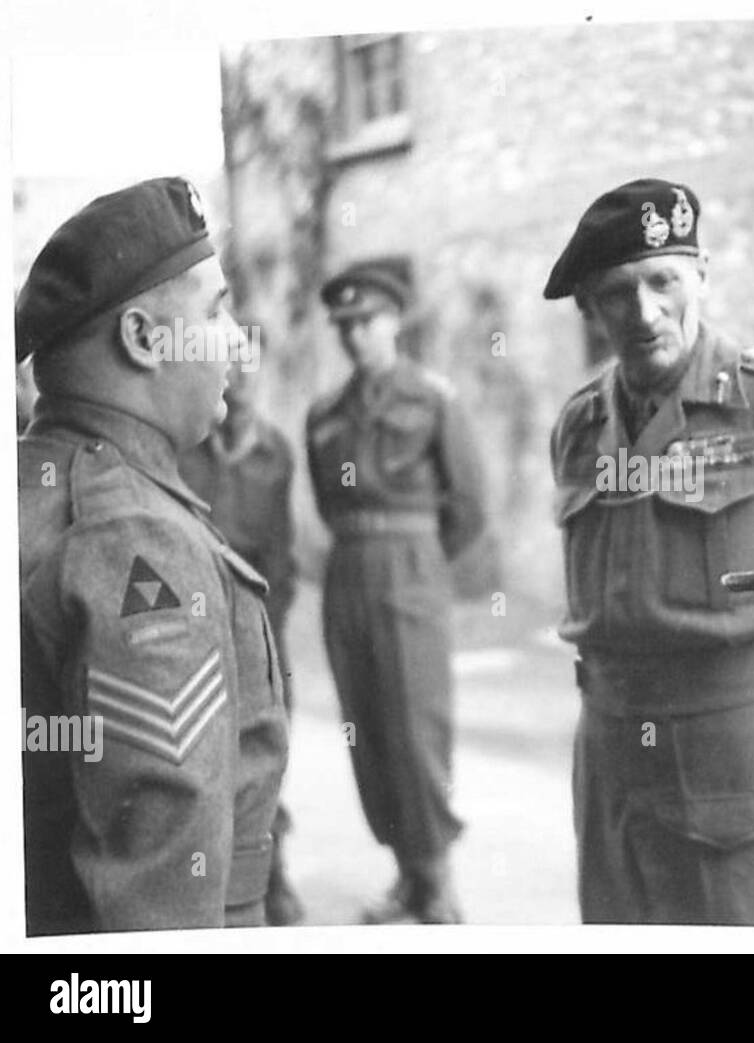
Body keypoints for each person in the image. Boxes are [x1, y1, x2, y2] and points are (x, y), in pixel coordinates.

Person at [545, 178, 754, 925]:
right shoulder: (580, 427)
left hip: (735, 765)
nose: (644, 312)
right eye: (617, 292)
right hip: (610, 764)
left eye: (664, 281)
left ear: (702, 278)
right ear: (589, 306)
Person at [16, 176, 288, 934]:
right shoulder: (132, 538)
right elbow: (163, 888)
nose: (238, 341)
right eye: (216, 311)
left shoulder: (35, 482)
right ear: (142, 339)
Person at [306, 261, 486, 924]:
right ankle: (408, 873)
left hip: (411, 568)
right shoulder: (324, 413)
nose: (354, 335)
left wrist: (421, 561)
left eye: (367, 321)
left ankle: (438, 879)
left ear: (394, 322)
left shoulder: (433, 398)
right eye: (344, 325)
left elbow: (469, 505)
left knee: (417, 726)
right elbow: (327, 503)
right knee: (369, 726)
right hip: (348, 571)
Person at [180, 357, 304, 926]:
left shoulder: (276, 453)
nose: (243, 381)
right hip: (197, 619)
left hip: (258, 623)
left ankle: (271, 877)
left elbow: (281, 554)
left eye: (253, 368)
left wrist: (262, 632)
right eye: (234, 366)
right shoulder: (186, 446)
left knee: (262, 754)